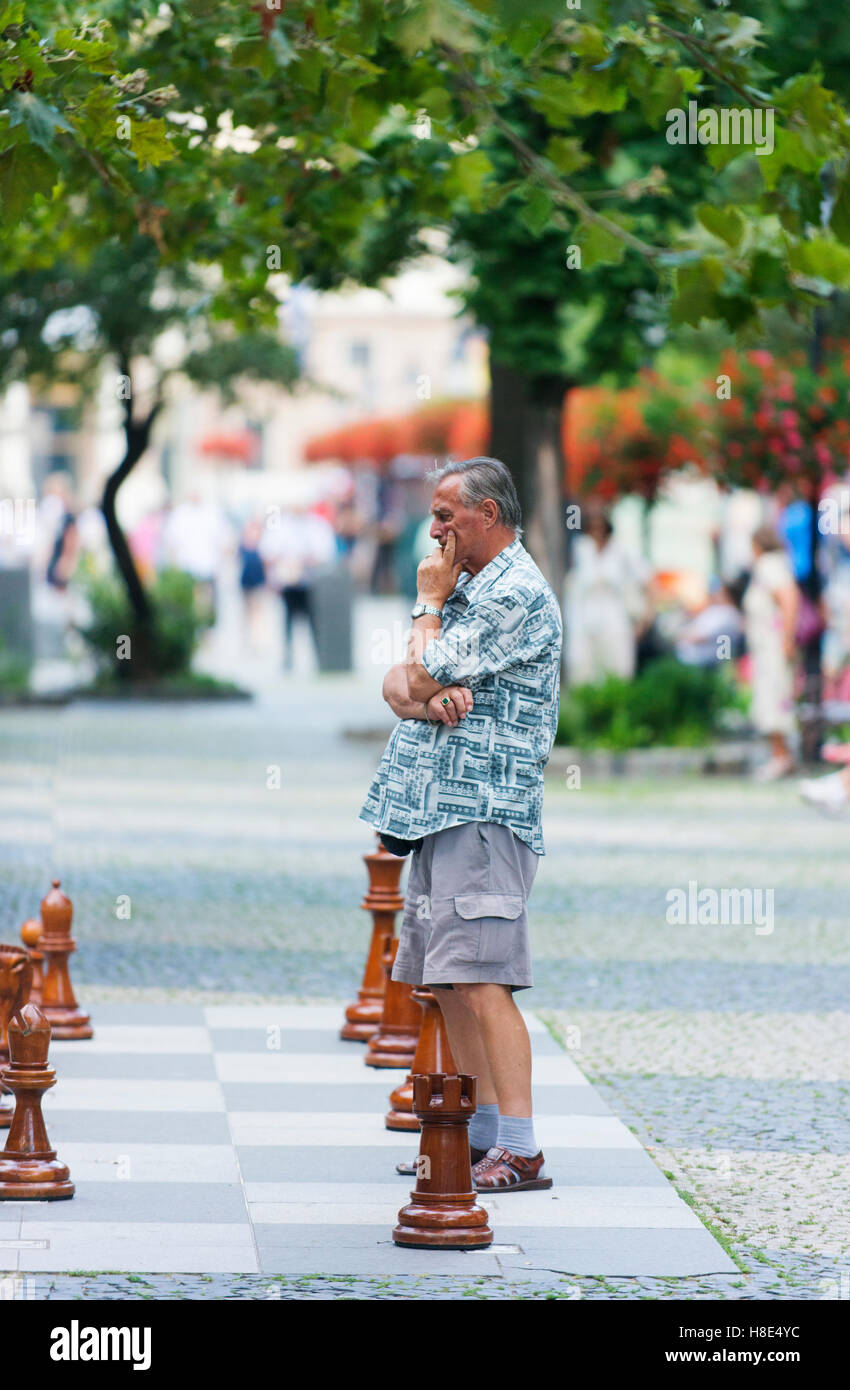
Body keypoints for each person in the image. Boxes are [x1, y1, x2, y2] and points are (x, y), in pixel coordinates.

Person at [360, 456, 563, 1194]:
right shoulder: (470, 588)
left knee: (484, 980)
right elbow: (397, 683)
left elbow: (412, 673)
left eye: (447, 514)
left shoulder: (512, 591)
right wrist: (421, 692)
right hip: (438, 807)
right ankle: (475, 1140)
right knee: (448, 978)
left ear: (488, 514)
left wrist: (424, 609)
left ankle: (522, 1146)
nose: (435, 528)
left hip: (485, 810)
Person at [568, 506, 649, 684]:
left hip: (615, 621)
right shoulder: (581, 549)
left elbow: (647, 581)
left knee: (618, 671)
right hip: (585, 623)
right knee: (586, 674)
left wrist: (644, 620)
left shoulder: (621, 551)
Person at [743, 525, 800, 781]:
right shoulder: (771, 565)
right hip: (766, 647)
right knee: (771, 699)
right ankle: (781, 756)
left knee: (775, 699)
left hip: (773, 646)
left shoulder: (768, 565)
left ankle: (781, 756)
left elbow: (789, 599)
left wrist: (787, 639)